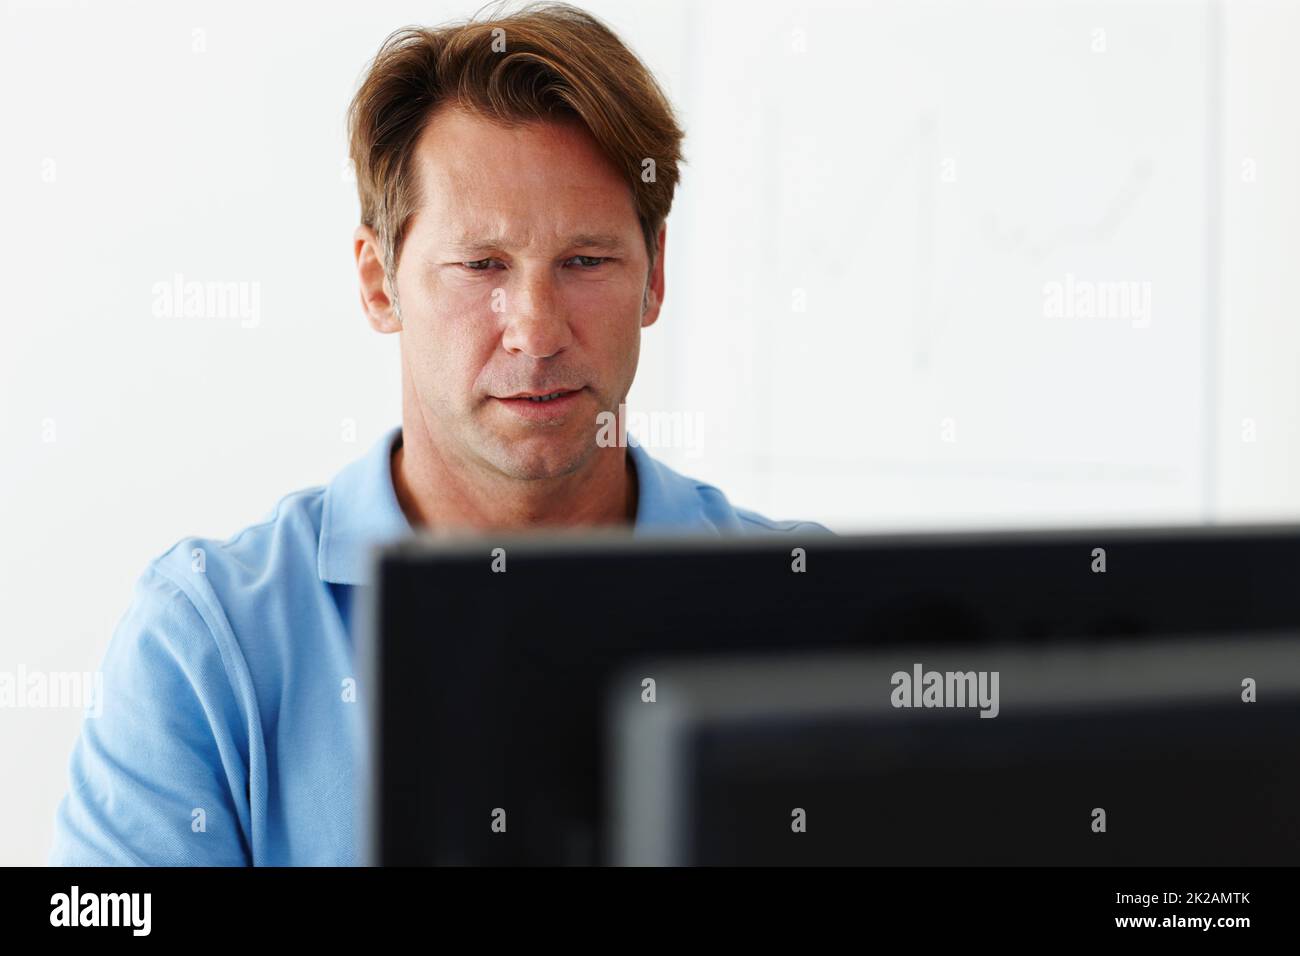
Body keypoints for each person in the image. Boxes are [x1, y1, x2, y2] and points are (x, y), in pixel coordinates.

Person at [49, 1, 830, 866]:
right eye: (481, 265)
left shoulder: (811, 615)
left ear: (653, 280)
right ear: (380, 284)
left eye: (586, 261)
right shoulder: (203, 647)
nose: (535, 328)